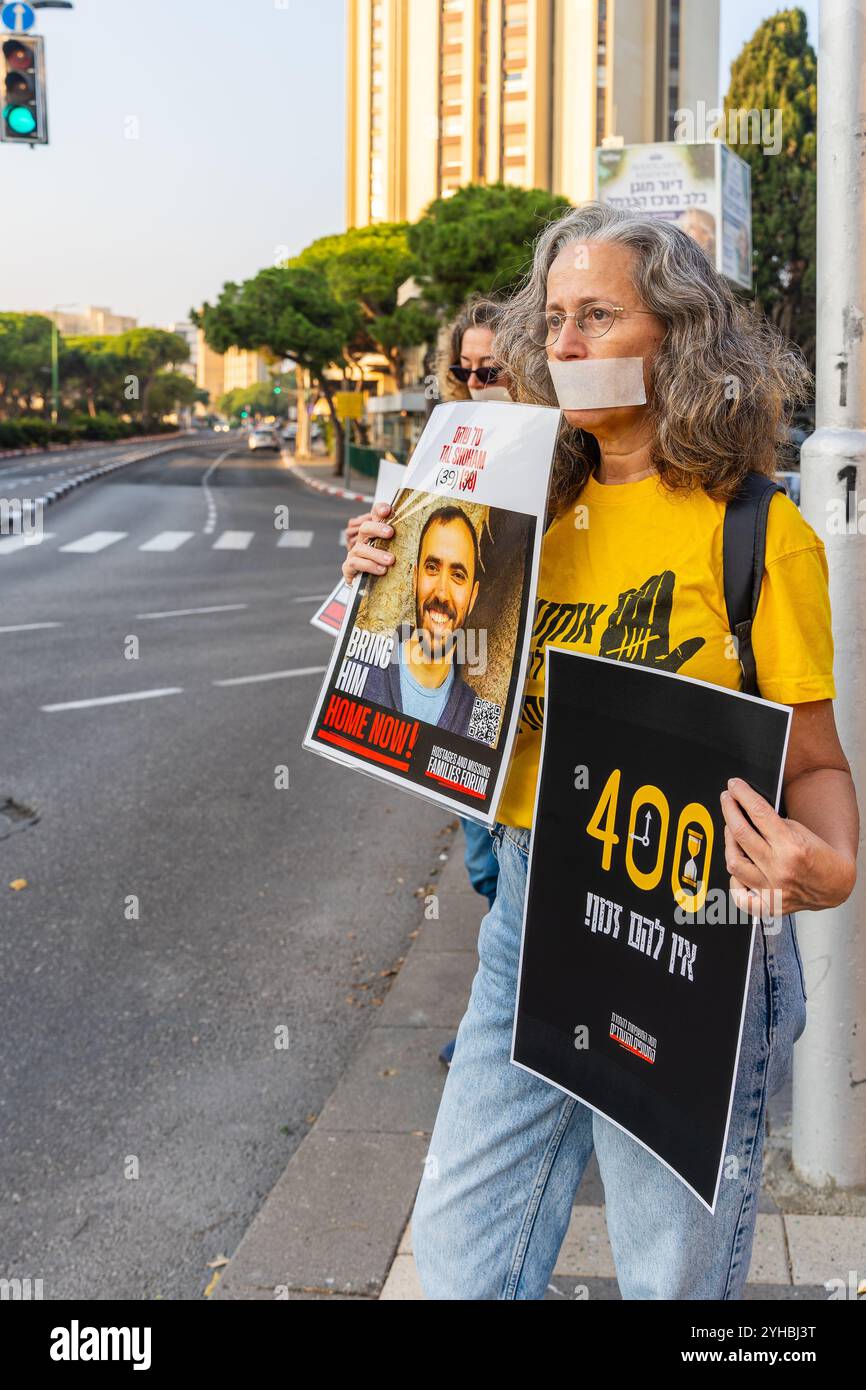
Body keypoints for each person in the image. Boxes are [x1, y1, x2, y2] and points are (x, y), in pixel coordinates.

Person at [350, 202, 859, 1299]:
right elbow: (430, 676)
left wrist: (828, 864)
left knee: (669, 1279)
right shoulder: (519, 508)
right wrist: (374, 584)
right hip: (528, 917)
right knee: (456, 1263)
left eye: (596, 316)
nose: (565, 345)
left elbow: (813, 762)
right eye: (554, 320)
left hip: (688, 933)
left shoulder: (755, 530)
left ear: (670, 335)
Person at [344, 297, 510, 1064]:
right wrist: (364, 564)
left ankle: (504, 1029)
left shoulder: (568, 453)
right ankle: (504, 1019)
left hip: (531, 719)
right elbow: (391, 583)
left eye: (495, 369)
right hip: (466, 723)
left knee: (522, 879)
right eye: (466, 370)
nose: (478, 383)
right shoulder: (442, 459)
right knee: (484, 866)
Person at [362, 503, 483, 739]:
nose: (441, 592)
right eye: (432, 568)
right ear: (415, 577)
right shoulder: (364, 669)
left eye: (458, 576)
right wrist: (351, 587)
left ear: (473, 597)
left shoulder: (479, 713)